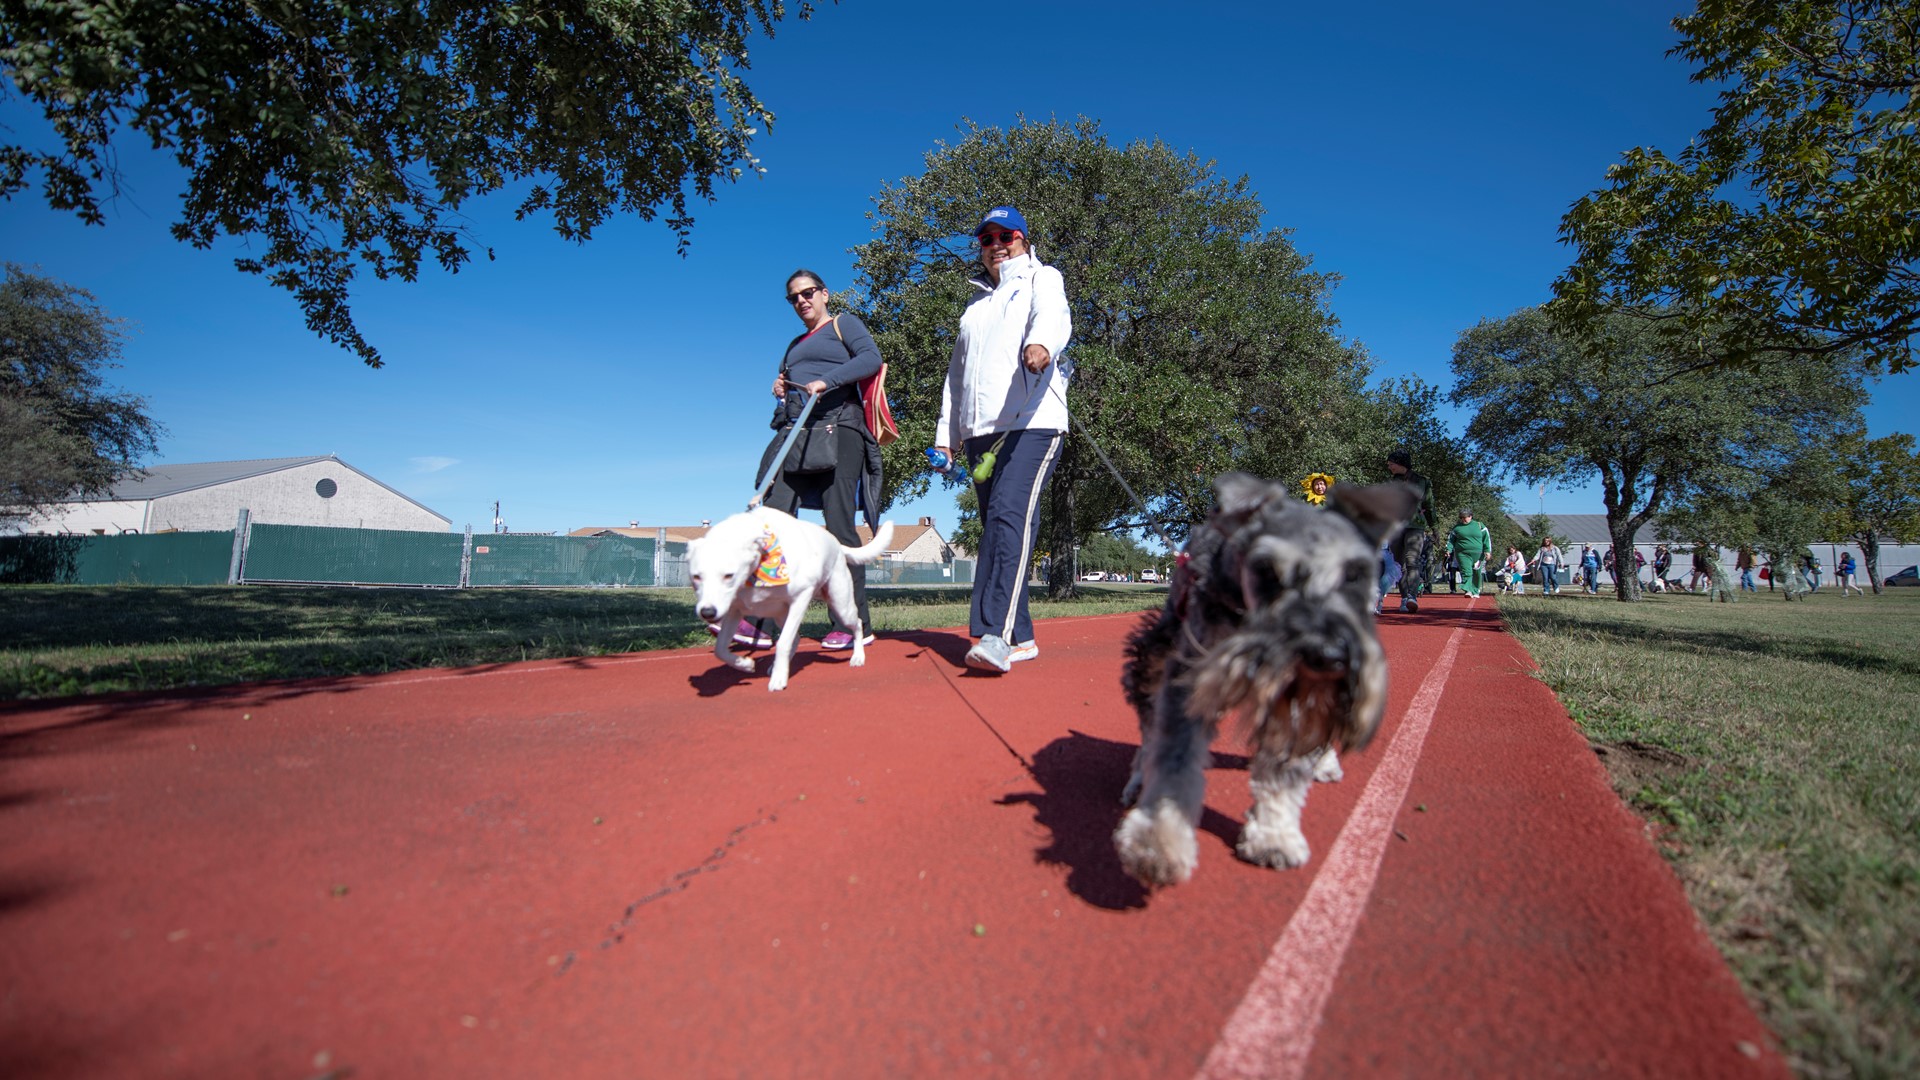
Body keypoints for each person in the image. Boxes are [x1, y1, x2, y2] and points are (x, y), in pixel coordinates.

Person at [934, 205, 1072, 673]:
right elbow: (956, 378)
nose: (996, 245)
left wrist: (1042, 344)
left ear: (1023, 239)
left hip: (1033, 421)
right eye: (986, 239)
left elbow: (1052, 315)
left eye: (1005, 236)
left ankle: (995, 634)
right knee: (1000, 527)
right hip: (981, 433)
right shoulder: (975, 308)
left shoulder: (1041, 277)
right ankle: (1022, 636)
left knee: (1009, 518)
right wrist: (946, 437)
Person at [749, 268, 885, 651]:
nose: (802, 301)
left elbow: (871, 359)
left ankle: (852, 622)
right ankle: (760, 620)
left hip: (840, 431)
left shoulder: (844, 324)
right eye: (793, 297)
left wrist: (830, 380)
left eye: (808, 293)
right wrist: (780, 390)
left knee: (839, 527)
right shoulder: (793, 345)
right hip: (799, 437)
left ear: (825, 294)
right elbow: (788, 396)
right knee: (772, 523)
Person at [1384, 449, 1438, 612]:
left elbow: (1429, 506)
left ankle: (1411, 596)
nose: (1389, 466)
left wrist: (1435, 528)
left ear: (1401, 462)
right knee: (1399, 564)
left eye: (1391, 463)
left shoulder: (1422, 482)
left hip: (1416, 526)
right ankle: (1403, 598)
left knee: (1412, 560)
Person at [1445, 508, 1494, 598]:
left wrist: (1487, 551)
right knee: (1466, 571)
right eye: (1462, 517)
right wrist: (1448, 549)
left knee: (1476, 572)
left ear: (1470, 516)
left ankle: (1475, 590)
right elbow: (1451, 540)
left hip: (1478, 554)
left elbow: (1487, 539)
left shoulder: (1479, 526)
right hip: (1462, 553)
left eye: (1465, 517)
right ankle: (1468, 590)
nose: (1464, 519)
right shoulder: (1457, 528)